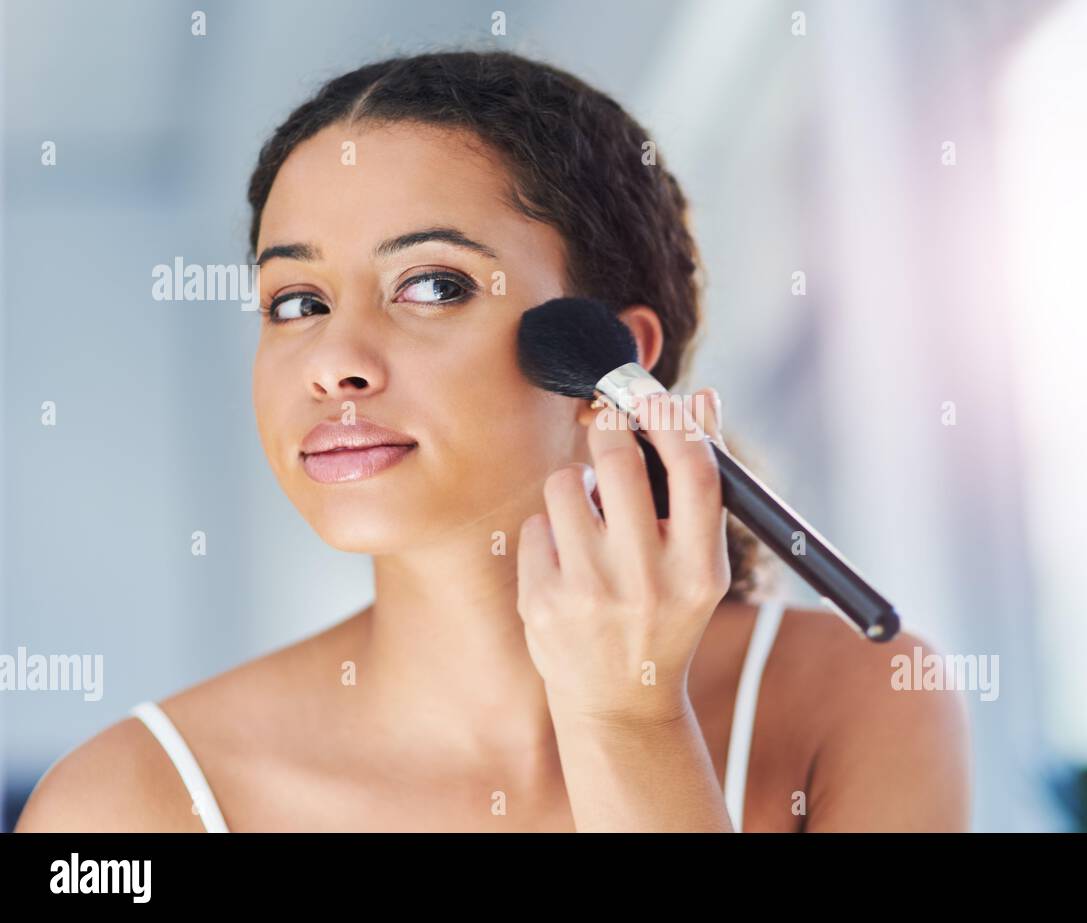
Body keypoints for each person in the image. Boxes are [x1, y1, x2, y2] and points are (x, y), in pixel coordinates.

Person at [16, 50, 969, 832]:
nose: (333, 362)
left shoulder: (862, 702)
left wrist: (628, 724)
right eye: (296, 302)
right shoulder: (123, 809)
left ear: (613, 369)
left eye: (433, 285)